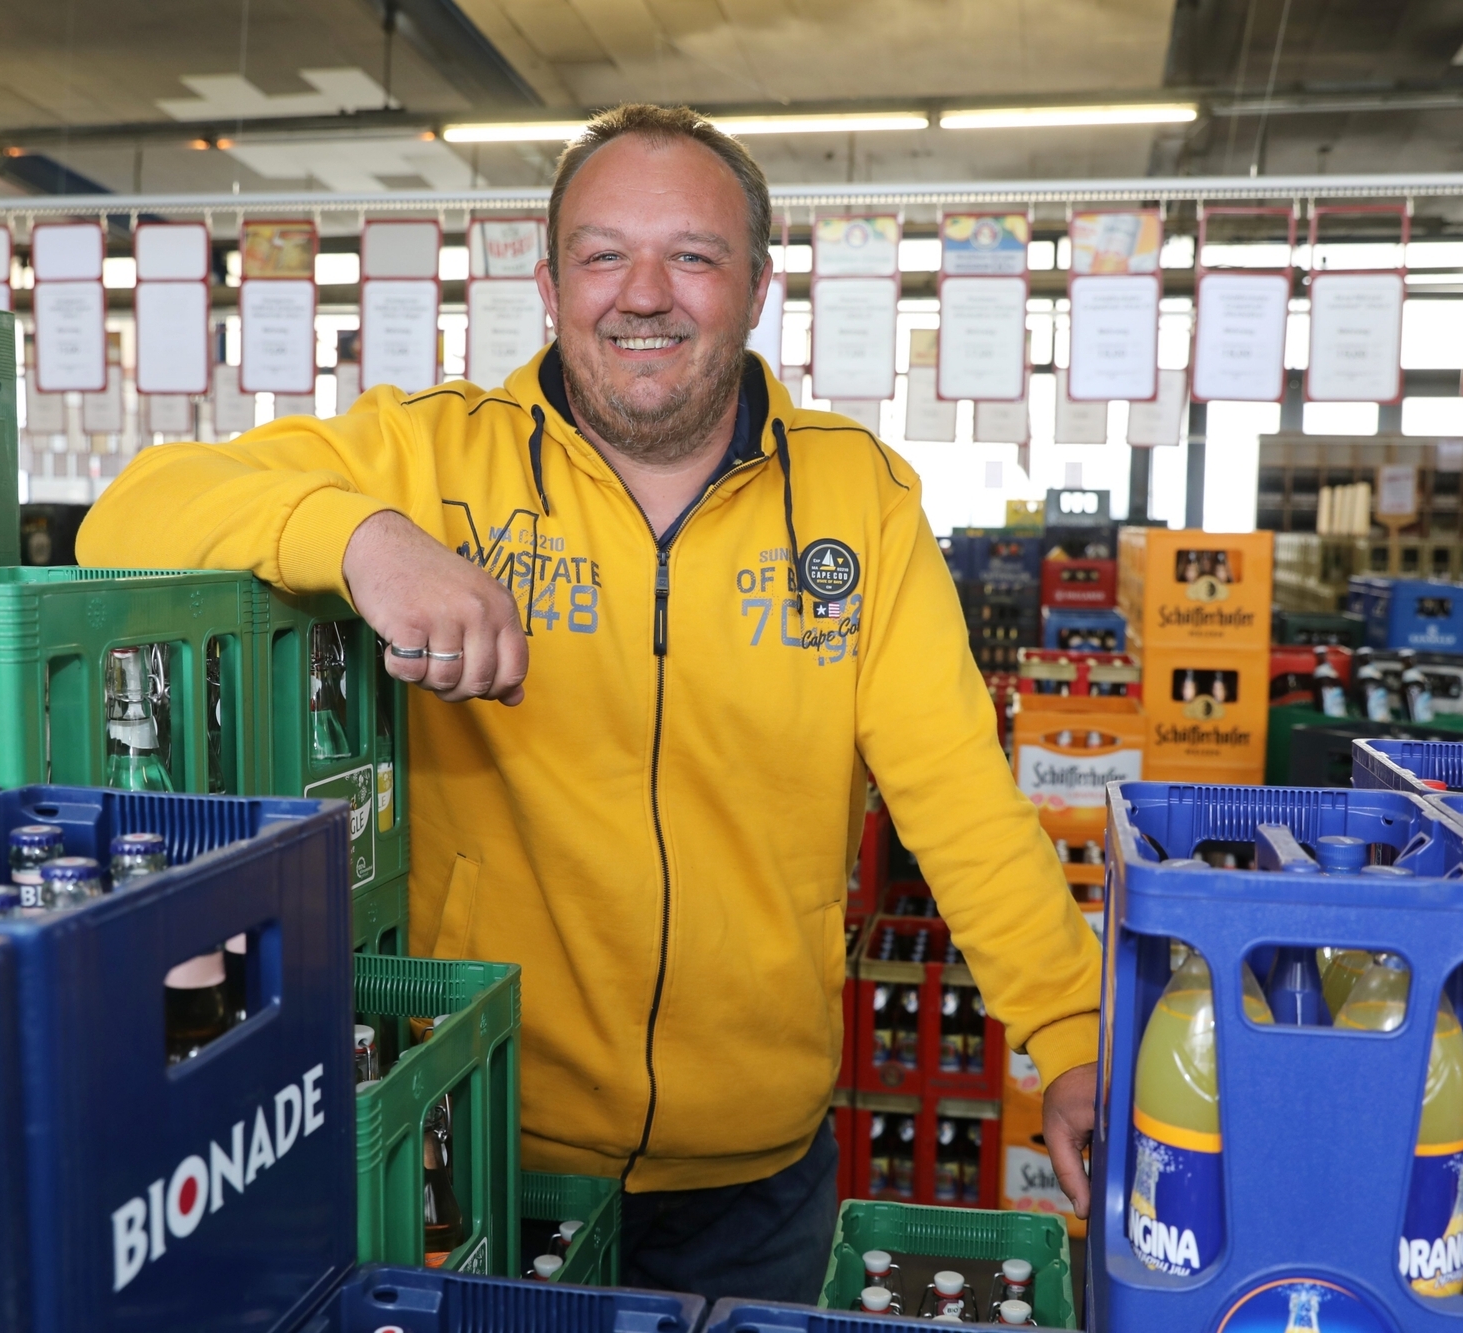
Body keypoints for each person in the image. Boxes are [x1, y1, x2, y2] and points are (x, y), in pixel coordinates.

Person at [78, 103, 1102, 1305]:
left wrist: (1073, 1033)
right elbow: (128, 512)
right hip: (480, 1141)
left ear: (759, 286)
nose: (644, 293)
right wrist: (362, 537)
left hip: (756, 1178)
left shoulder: (855, 501)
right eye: (604, 254)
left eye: (695, 255)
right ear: (549, 284)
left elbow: (962, 805)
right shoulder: (436, 458)